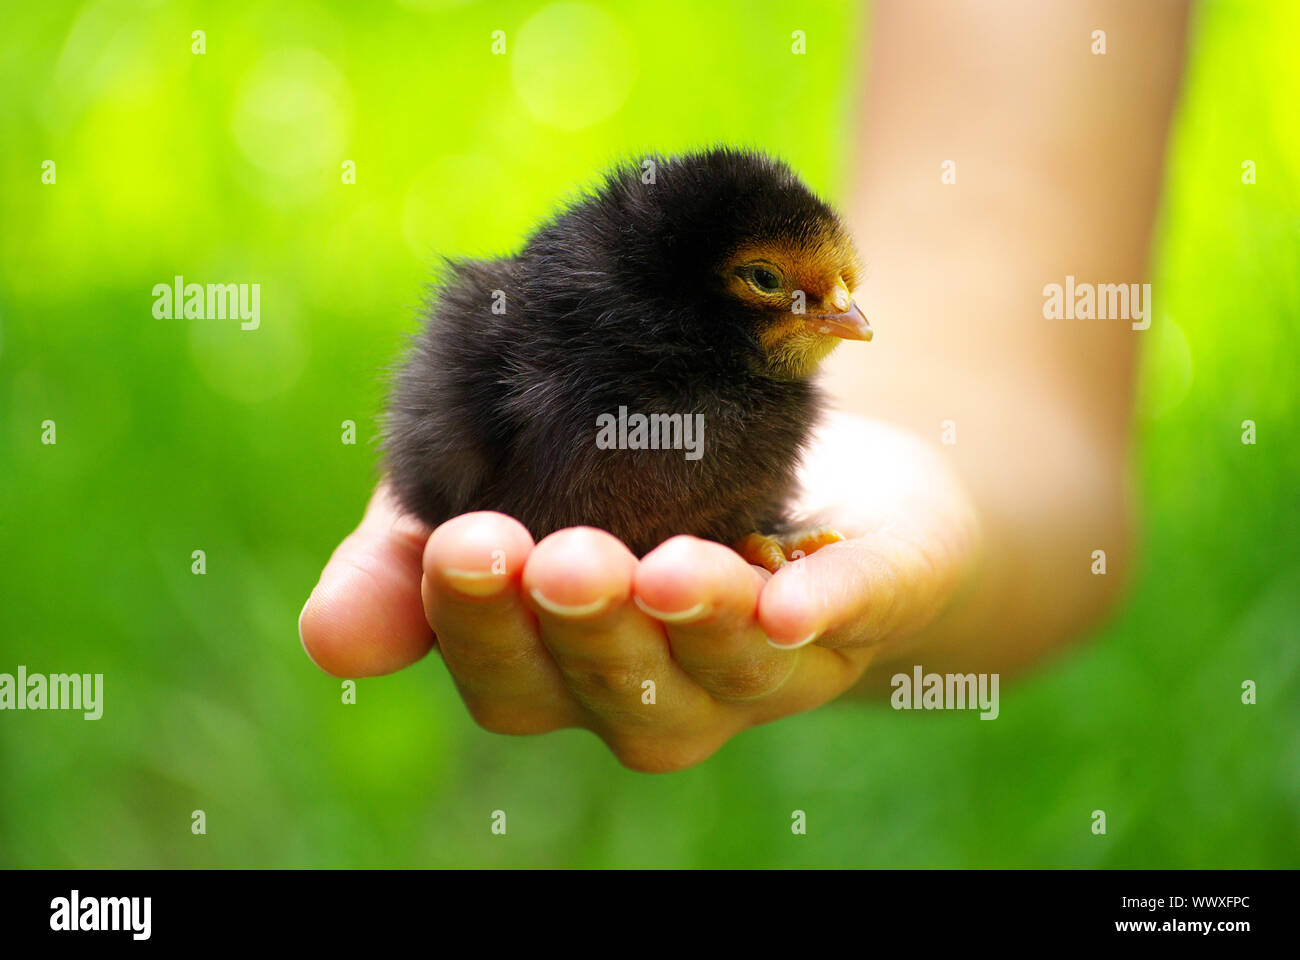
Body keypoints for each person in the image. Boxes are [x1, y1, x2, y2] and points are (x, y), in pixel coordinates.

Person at [299, 0, 1190, 771]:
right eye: (774, 282)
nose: (837, 312)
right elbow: (447, 435)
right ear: (679, 290)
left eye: (840, 290)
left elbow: (1048, 434)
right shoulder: (524, 348)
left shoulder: (767, 405)